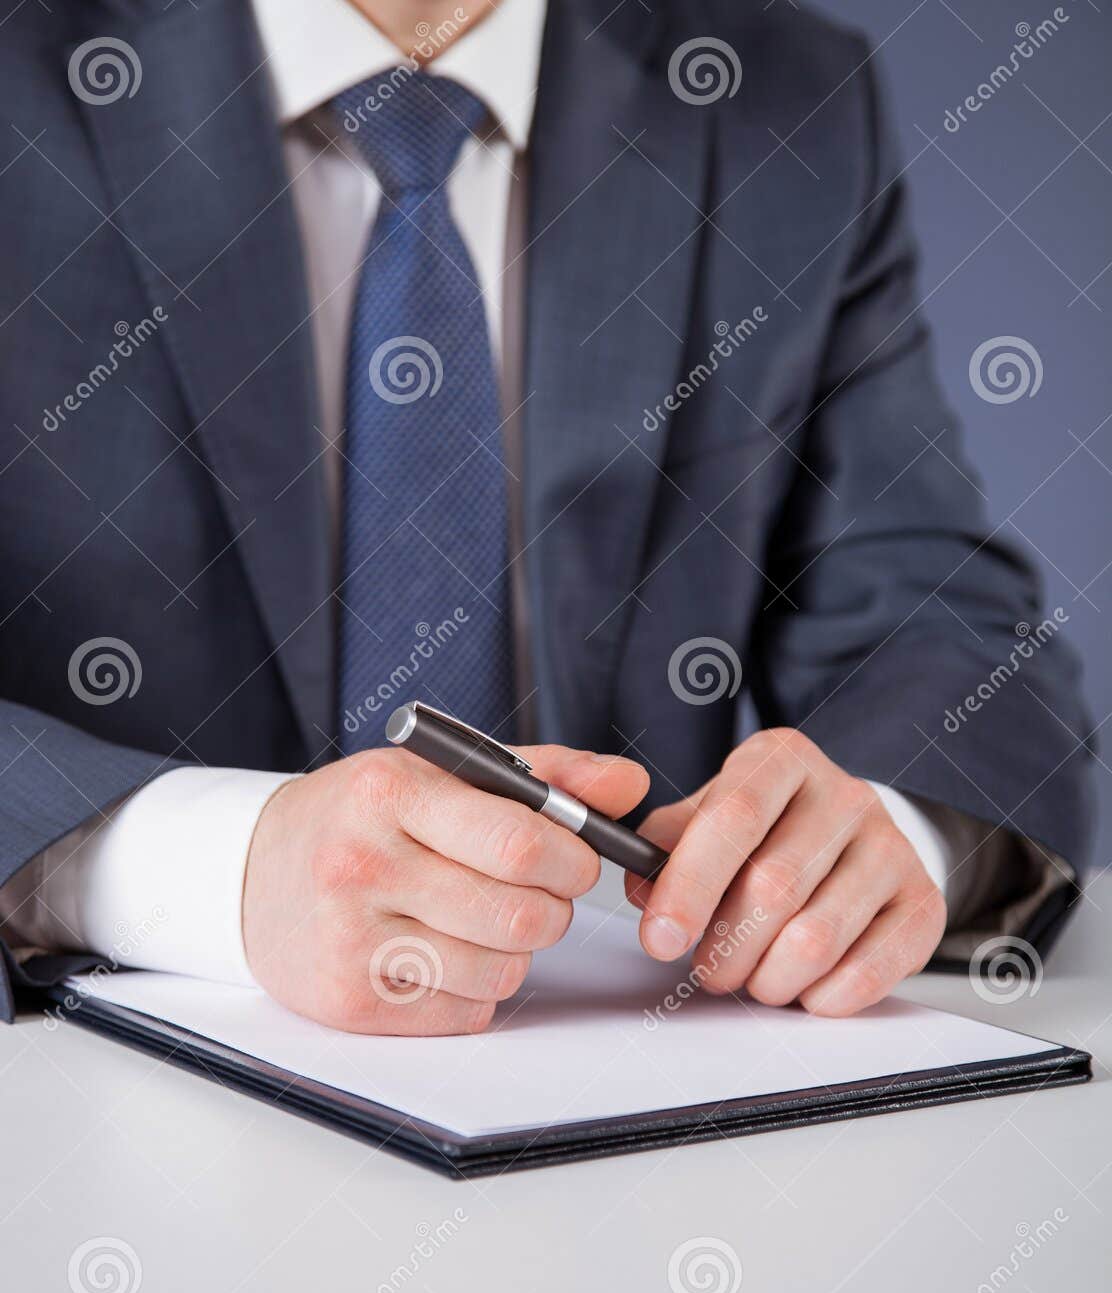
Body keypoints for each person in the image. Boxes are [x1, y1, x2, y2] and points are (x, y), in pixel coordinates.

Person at [0, 0, 1093, 1035]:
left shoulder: (779, 99)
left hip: (622, 1105)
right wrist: (194, 867)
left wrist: (871, 841)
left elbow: (933, 616)